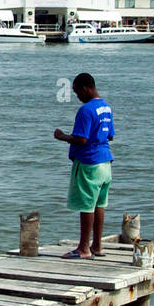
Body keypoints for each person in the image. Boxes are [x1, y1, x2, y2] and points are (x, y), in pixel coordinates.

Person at [53, 72, 114, 258]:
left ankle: (83, 248)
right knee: (99, 205)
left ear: (86, 88)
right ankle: (97, 246)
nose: (77, 96)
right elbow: (110, 135)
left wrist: (61, 136)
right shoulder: (106, 108)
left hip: (90, 163)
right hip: (105, 163)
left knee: (87, 206)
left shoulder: (86, 110)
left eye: (77, 92)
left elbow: (81, 139)